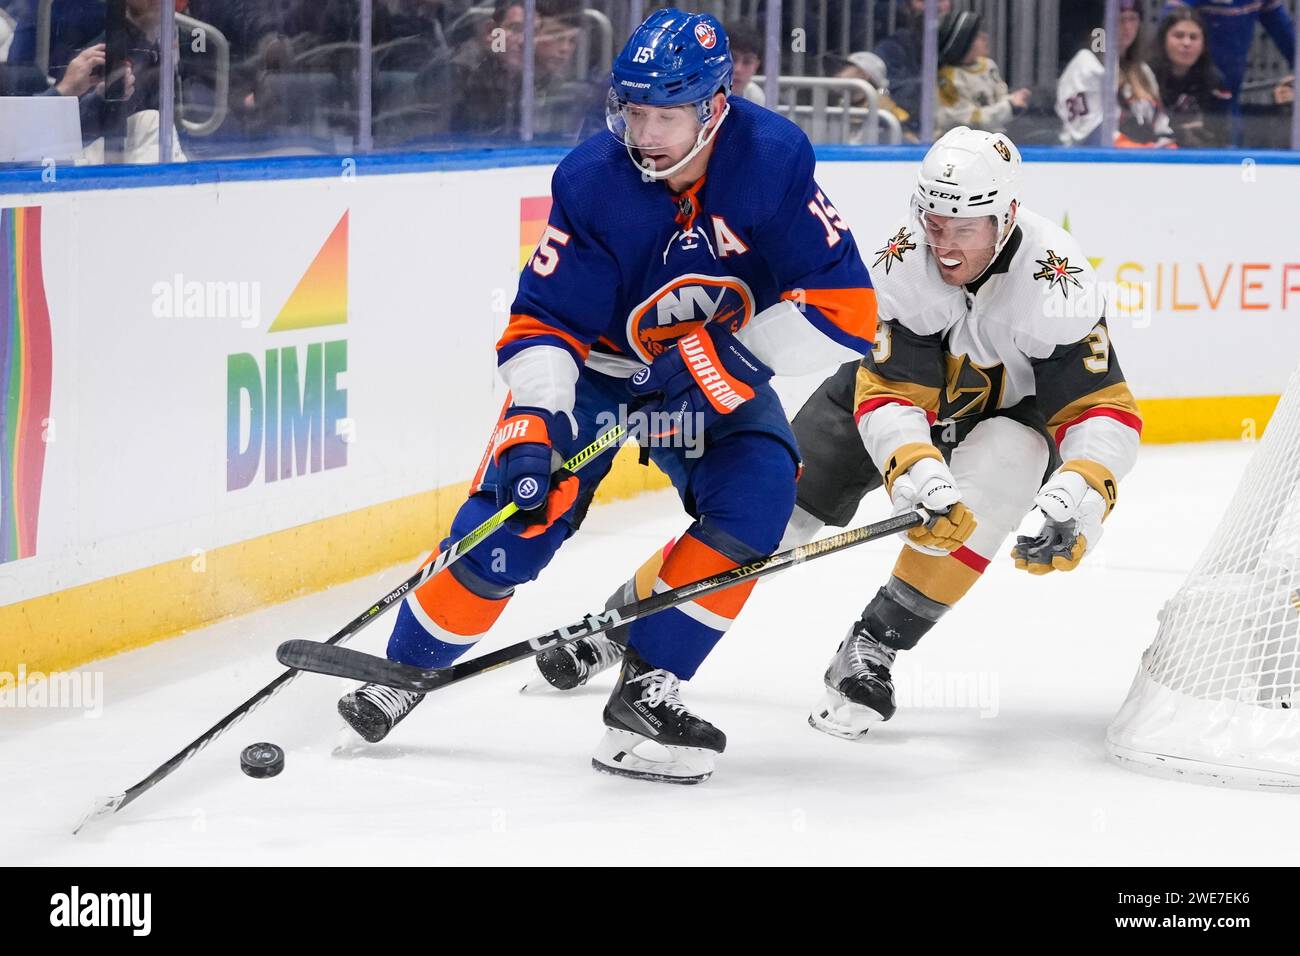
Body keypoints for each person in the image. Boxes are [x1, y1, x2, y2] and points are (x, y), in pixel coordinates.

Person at [336, 9, 878, 784]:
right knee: (520, 518)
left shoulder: (773, 161)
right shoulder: (594, 180)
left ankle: (647, 691)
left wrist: (726, 360)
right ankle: (401, 673)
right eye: (635, 111)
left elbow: (848, 309)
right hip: (598, 375)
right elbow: (544, 321)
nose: (647, 133)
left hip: (715, 376)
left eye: (667, 114)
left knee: (760, 499)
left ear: (715, 106)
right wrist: (533, 420)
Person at [535, 129, 1142, 742]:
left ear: (1005, 218)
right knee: (766, 520)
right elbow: (888, 395)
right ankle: (615, 626)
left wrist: (1083, 493)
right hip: (883, 407)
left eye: (963, 228)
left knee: (1003, 472)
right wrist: (916, 469)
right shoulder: (904, 260)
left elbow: (1102, 410)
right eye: (933, 221)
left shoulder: (1056, 278)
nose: (944, 243)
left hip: (1006, 420)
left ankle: (873, 646)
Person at [1161, 0, 1295, 144]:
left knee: (1230, 149)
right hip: (1185, 99)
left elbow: (1287, 36)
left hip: (1227, 98)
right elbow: (1168, 32)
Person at [1057, 0, 1174, 147]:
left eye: (1133, 19)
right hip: (1089, 165)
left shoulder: (1143, 71)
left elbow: (1162, 128)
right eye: (1120, 20)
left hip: (1139, 163)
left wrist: (1168, 149)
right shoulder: (1086, 64)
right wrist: (1143, 151)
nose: (1127, 27)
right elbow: (1091, 135)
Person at [934, 10, 1030, 136]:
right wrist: (1009, 107)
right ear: (962, 44)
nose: (985, 37)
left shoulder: (988, 66)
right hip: (960, 144)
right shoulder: (948, 78)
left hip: (992, 140)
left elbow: (1000, 98)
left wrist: (1013, 100)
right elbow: (965, 120)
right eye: (977, 36)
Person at [1150, 8, 1232, 148]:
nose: (1187, 43)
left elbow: (1221, 137)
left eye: (1193, 37)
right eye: (1179, 36)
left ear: (1203, 44)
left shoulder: (1215, 82)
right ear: (1163, 40)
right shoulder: (1146, 75)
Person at [874, 0, 952, 140]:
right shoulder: (891, 48)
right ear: (906, 5)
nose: (934, 7)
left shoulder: (953, 47)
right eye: (922, 1)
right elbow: (892, 92)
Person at [726, 19, 765, 106]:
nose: (738, 69)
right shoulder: (698, 96)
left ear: (756, 66)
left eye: (747, 62)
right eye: (733, 58)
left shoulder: (755, 97)